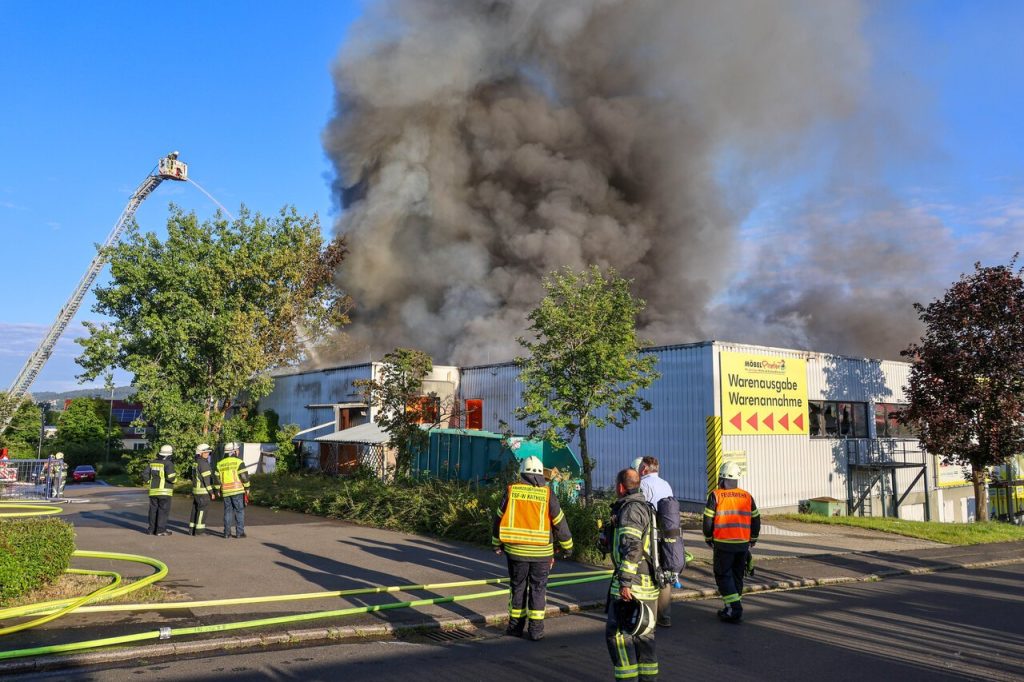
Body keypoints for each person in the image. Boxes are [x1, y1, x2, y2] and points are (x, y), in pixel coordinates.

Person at [492, 455, 573, 641]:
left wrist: (496, 543)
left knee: (517, 588)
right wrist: (567, 547)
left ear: (522, 473)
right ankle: (536, 631)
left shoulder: (512, 491)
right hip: (542, 554)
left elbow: (499, 518)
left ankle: (515, 629)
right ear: (540, 475)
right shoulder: (547, 494)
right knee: (538, 589)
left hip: (516, 553)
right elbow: (559, 522)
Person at [605, 468, 659, 681]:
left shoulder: (630, 510)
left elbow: (633, 547)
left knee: (619, 636)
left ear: (620, 486)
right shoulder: (646, 506)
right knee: (644, 636)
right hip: (648, 582)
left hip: (633, 583)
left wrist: (625, 582)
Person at [703, 461, 760, 623]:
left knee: (722, 575)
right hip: (742, 544)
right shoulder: (747, 496)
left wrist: (708, 537)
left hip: (723, 543)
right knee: (737, 576)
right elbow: (756, 519)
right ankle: (730, 607)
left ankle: (735, 608)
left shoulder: (716, 495)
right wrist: (753, 538)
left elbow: (708, 521)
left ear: (721, 477)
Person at [637, 456, 675, 628]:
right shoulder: (665, 484)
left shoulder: (643, 484)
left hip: (650, 535)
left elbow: (639, 510)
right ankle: (664, 617)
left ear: (644, 468)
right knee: (665, 573)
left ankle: (646, 617)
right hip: (667, 534)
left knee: (648, 572)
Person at [215, 442, 250, 539]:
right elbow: (244, 477)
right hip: (237, 491)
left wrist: (217, 489)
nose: (238, 451)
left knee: (227, 512)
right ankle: (239, 533)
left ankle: (226, 533)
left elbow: (217, 478)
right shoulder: (239, 462)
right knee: (239, 511)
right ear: (233, 451)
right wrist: (247, 488)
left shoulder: (220, 464)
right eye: (237, 450)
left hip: (226, 492)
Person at [146, 445, 176, 535]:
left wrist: (149, 481)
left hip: (153, 491)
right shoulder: (168, 463)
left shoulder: (152, 462)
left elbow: (144, 474)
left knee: (153, 510)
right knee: (163, 511)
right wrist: (175, 480)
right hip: (164, 491)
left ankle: (151, 530)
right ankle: (160, 530)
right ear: (168, 455)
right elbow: (171, 477)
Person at [189, 443, 215, 536]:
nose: (208, 454)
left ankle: (192, 529)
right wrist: (211, 492)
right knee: (202, 511)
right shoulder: (203, 463)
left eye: (208, 452)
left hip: (196, 491)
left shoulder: (195, 462)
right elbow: (206, 480)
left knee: (195, 510)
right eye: (206, 452)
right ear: (200, 453)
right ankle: (199, 531)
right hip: (203, 492)